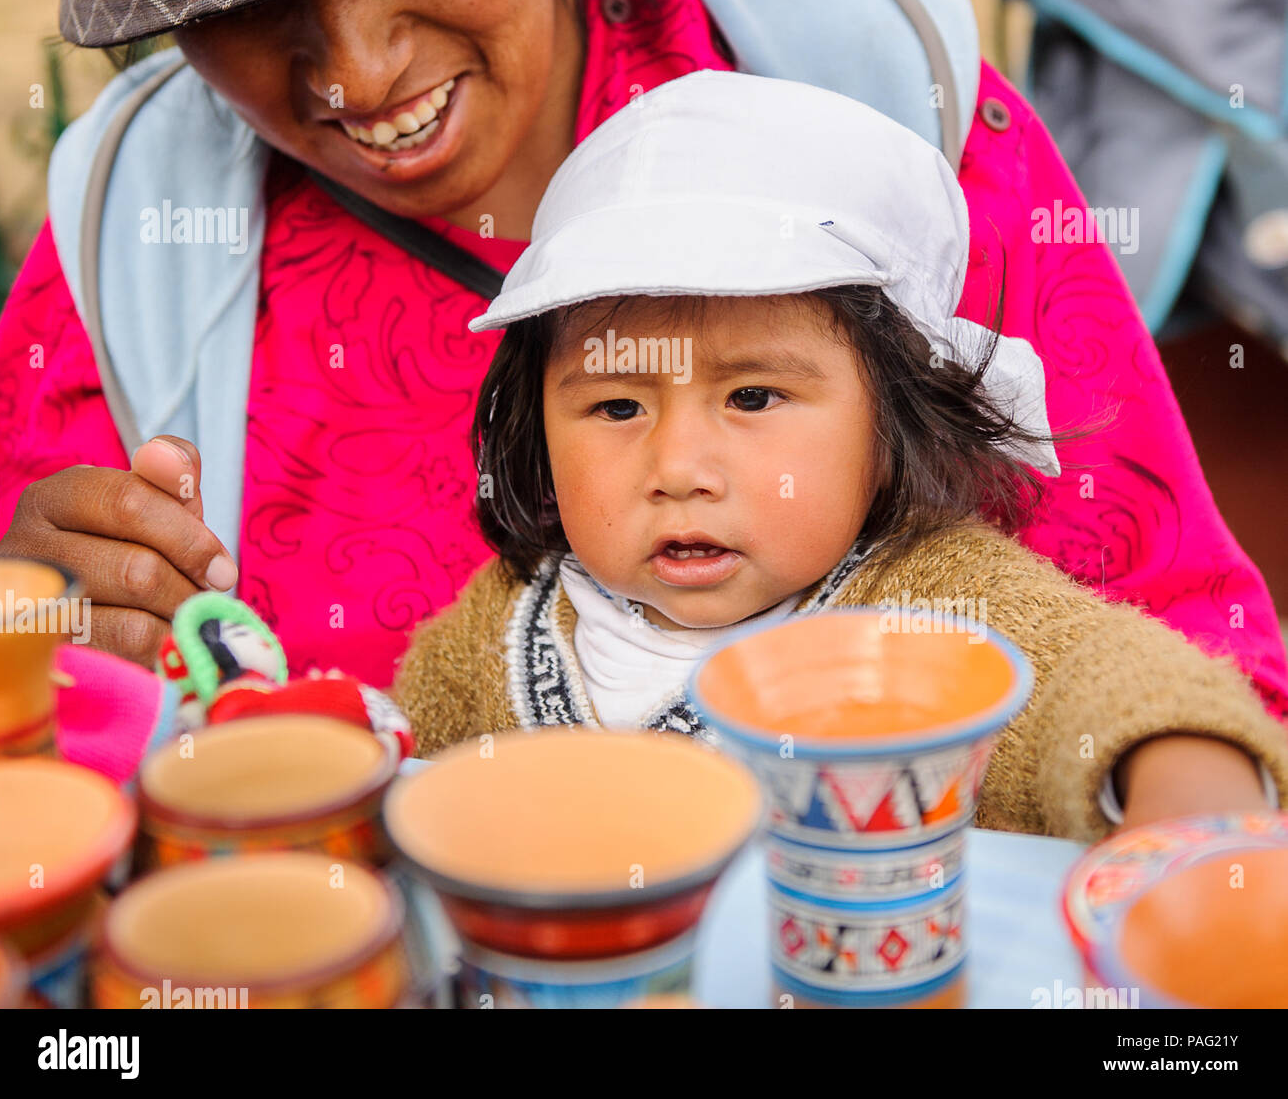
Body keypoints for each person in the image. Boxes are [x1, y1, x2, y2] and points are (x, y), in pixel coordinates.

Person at [0, 0, 1284, 717]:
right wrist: (37, 629)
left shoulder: (882, 115)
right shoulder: (126, 246)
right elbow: (68, 755)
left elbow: (1184, 651)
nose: (359, 68)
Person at [392, 73, 1288, 841]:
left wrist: (1183, 779)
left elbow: (1108, 681)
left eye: (752, 397)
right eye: (618, 405)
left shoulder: (940, 608)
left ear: (890, 426)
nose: (678, 468)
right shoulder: (501, 628)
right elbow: (398, 774)